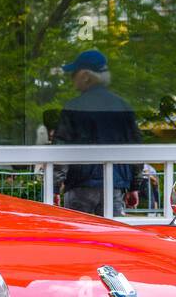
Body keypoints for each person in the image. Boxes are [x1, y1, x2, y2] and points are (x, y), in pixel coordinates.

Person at [52, 49, 142, 216]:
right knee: (112, 237)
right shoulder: (122, 107)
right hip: (114, 185)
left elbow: (61, 149)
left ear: (85, 75)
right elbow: (135, 148)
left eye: (74, 74)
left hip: (80, 185)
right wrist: (134, 186)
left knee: (79, 237)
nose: (72, 79)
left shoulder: (73, 107)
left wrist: (55, 187)